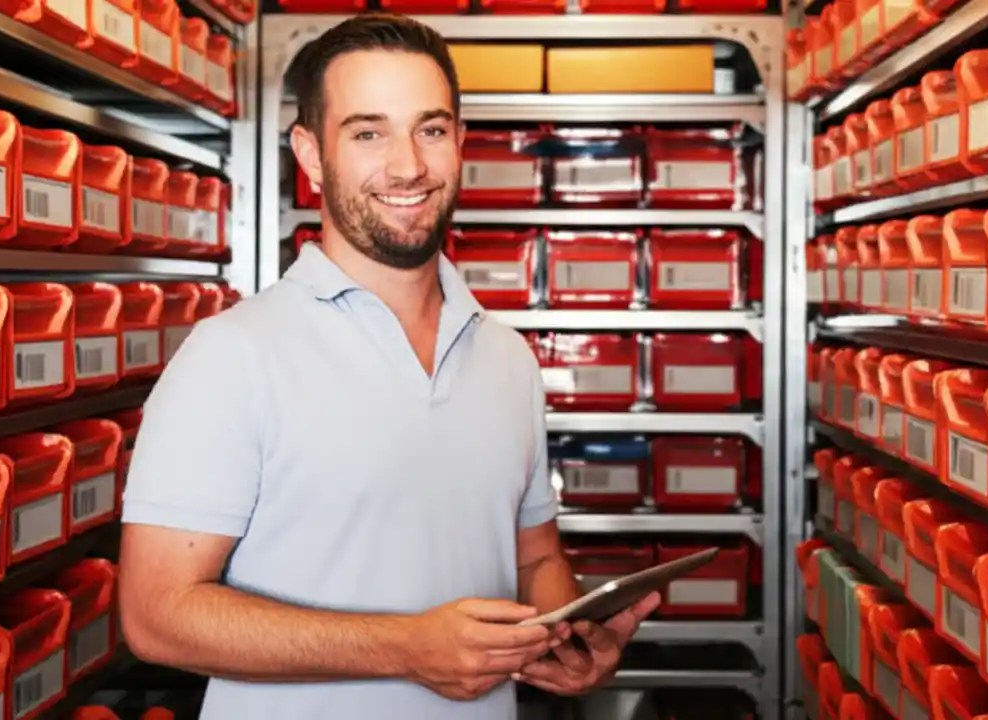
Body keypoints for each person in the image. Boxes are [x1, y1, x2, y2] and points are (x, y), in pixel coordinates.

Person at [117, 12, 660, 719]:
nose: (408, 165)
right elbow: (155, 615)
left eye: (430, 129)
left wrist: (571, 634)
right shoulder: (233, 354)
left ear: (460, 143)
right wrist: (402, 647)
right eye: (368, 132)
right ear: (311, 156)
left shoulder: (506, 357)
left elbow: (534, 560)